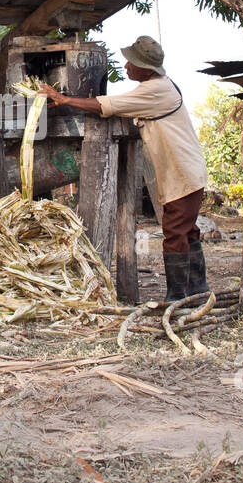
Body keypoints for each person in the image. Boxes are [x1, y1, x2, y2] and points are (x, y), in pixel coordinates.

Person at [38, 35, 210, 301]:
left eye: (131, 63)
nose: (126, 67)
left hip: (183, 173)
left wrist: (63, 99)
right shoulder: (157, 87)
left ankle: (178, 297)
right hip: (186, 172)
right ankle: (197, 289)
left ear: (146, 68)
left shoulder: (154, 90)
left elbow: (104, 105)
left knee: (175, 232)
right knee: (187, 230)